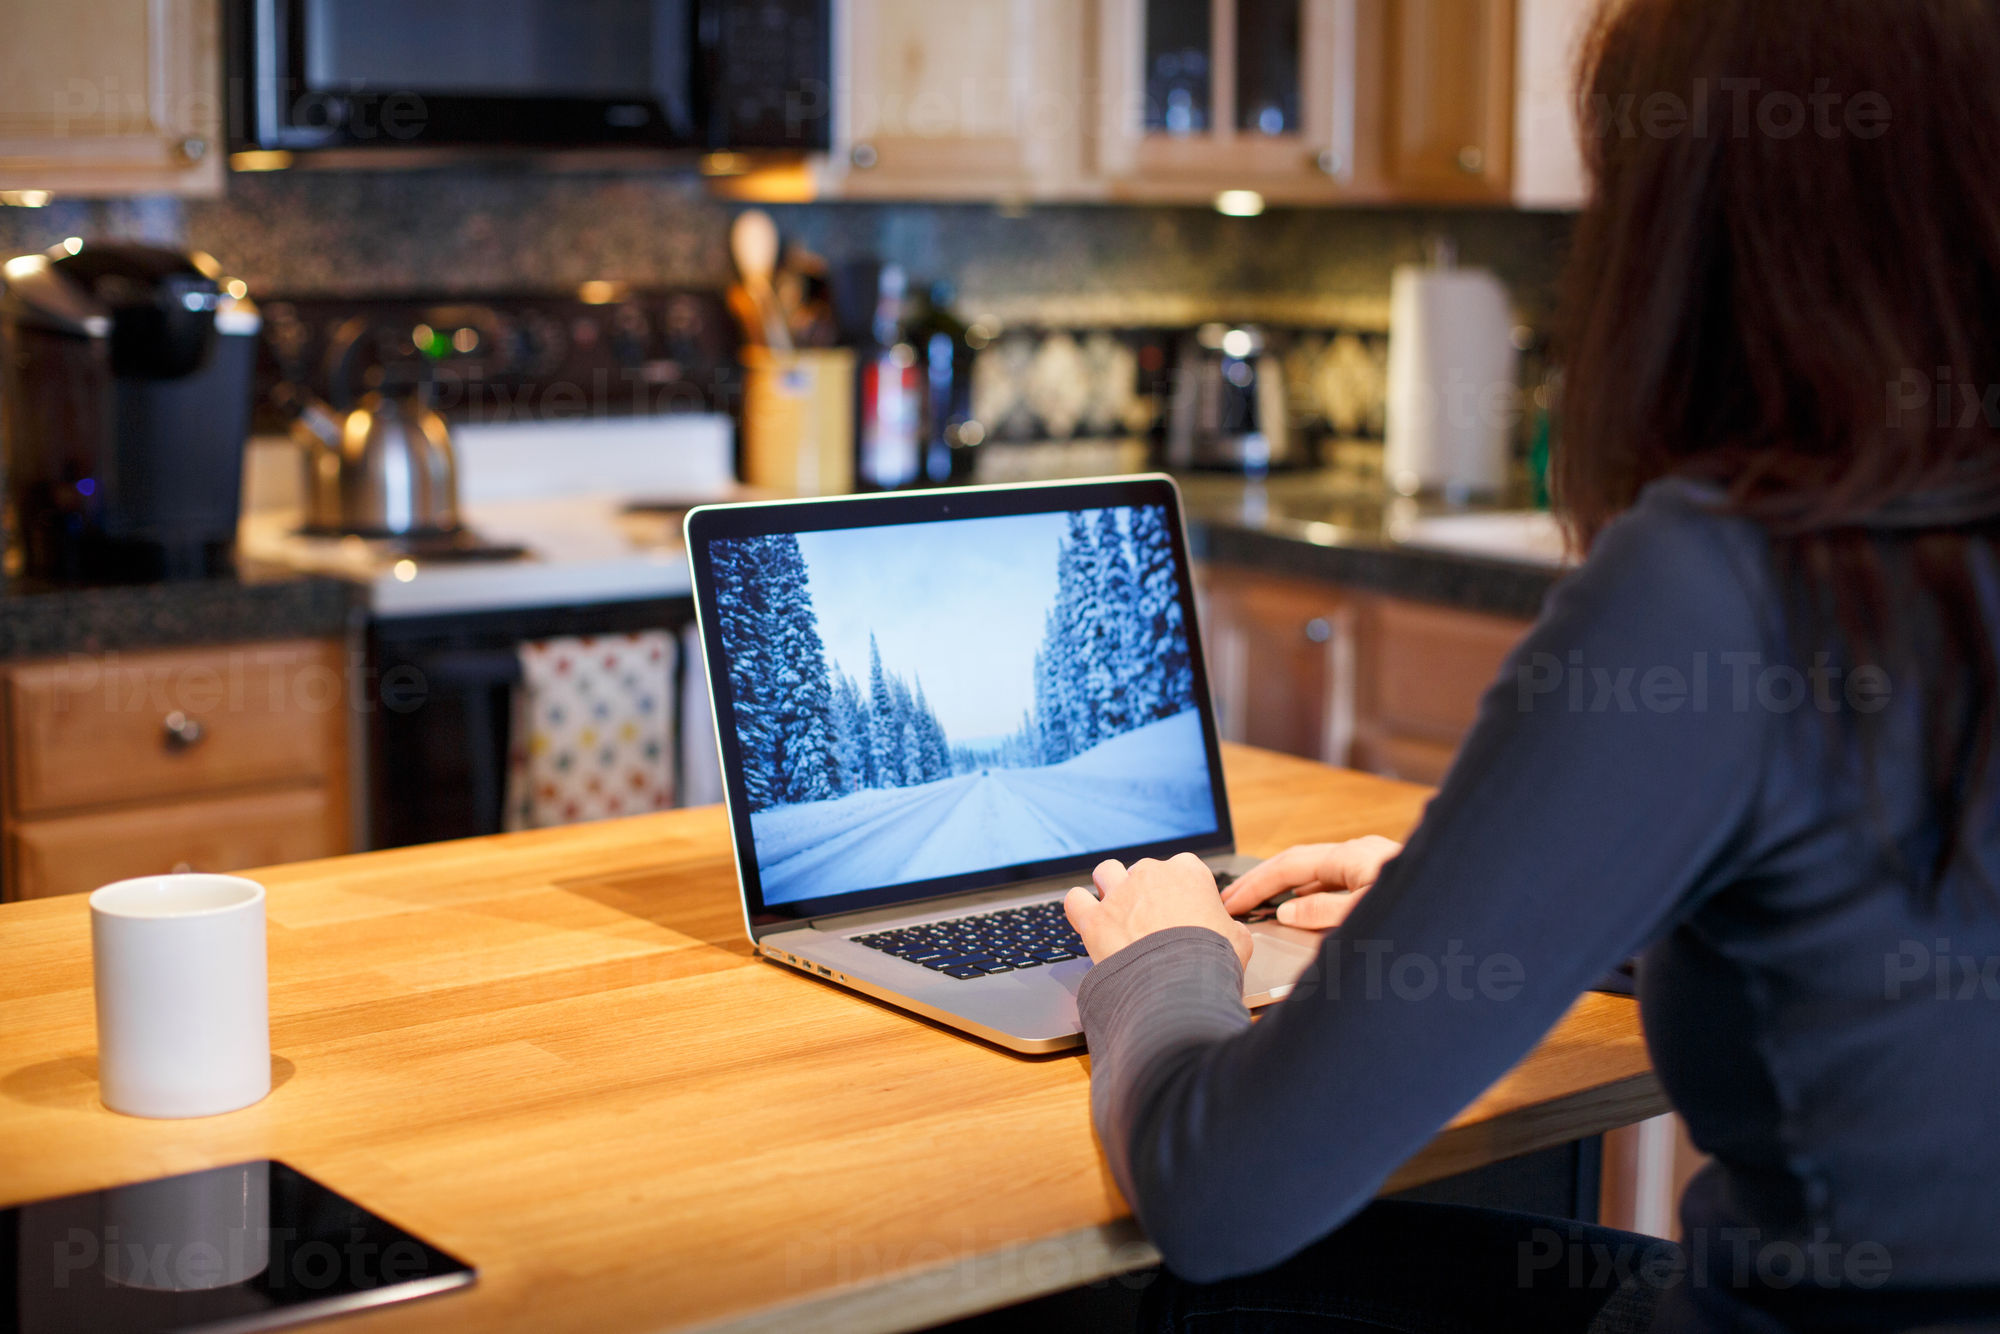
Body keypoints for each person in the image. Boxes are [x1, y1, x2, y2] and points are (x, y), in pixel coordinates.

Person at [1062, 1, 2000, 1330]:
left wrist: (1165, 960)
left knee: (1131, 1300)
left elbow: (1218, 1194)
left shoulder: (1721, 578)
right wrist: (1489, 909)